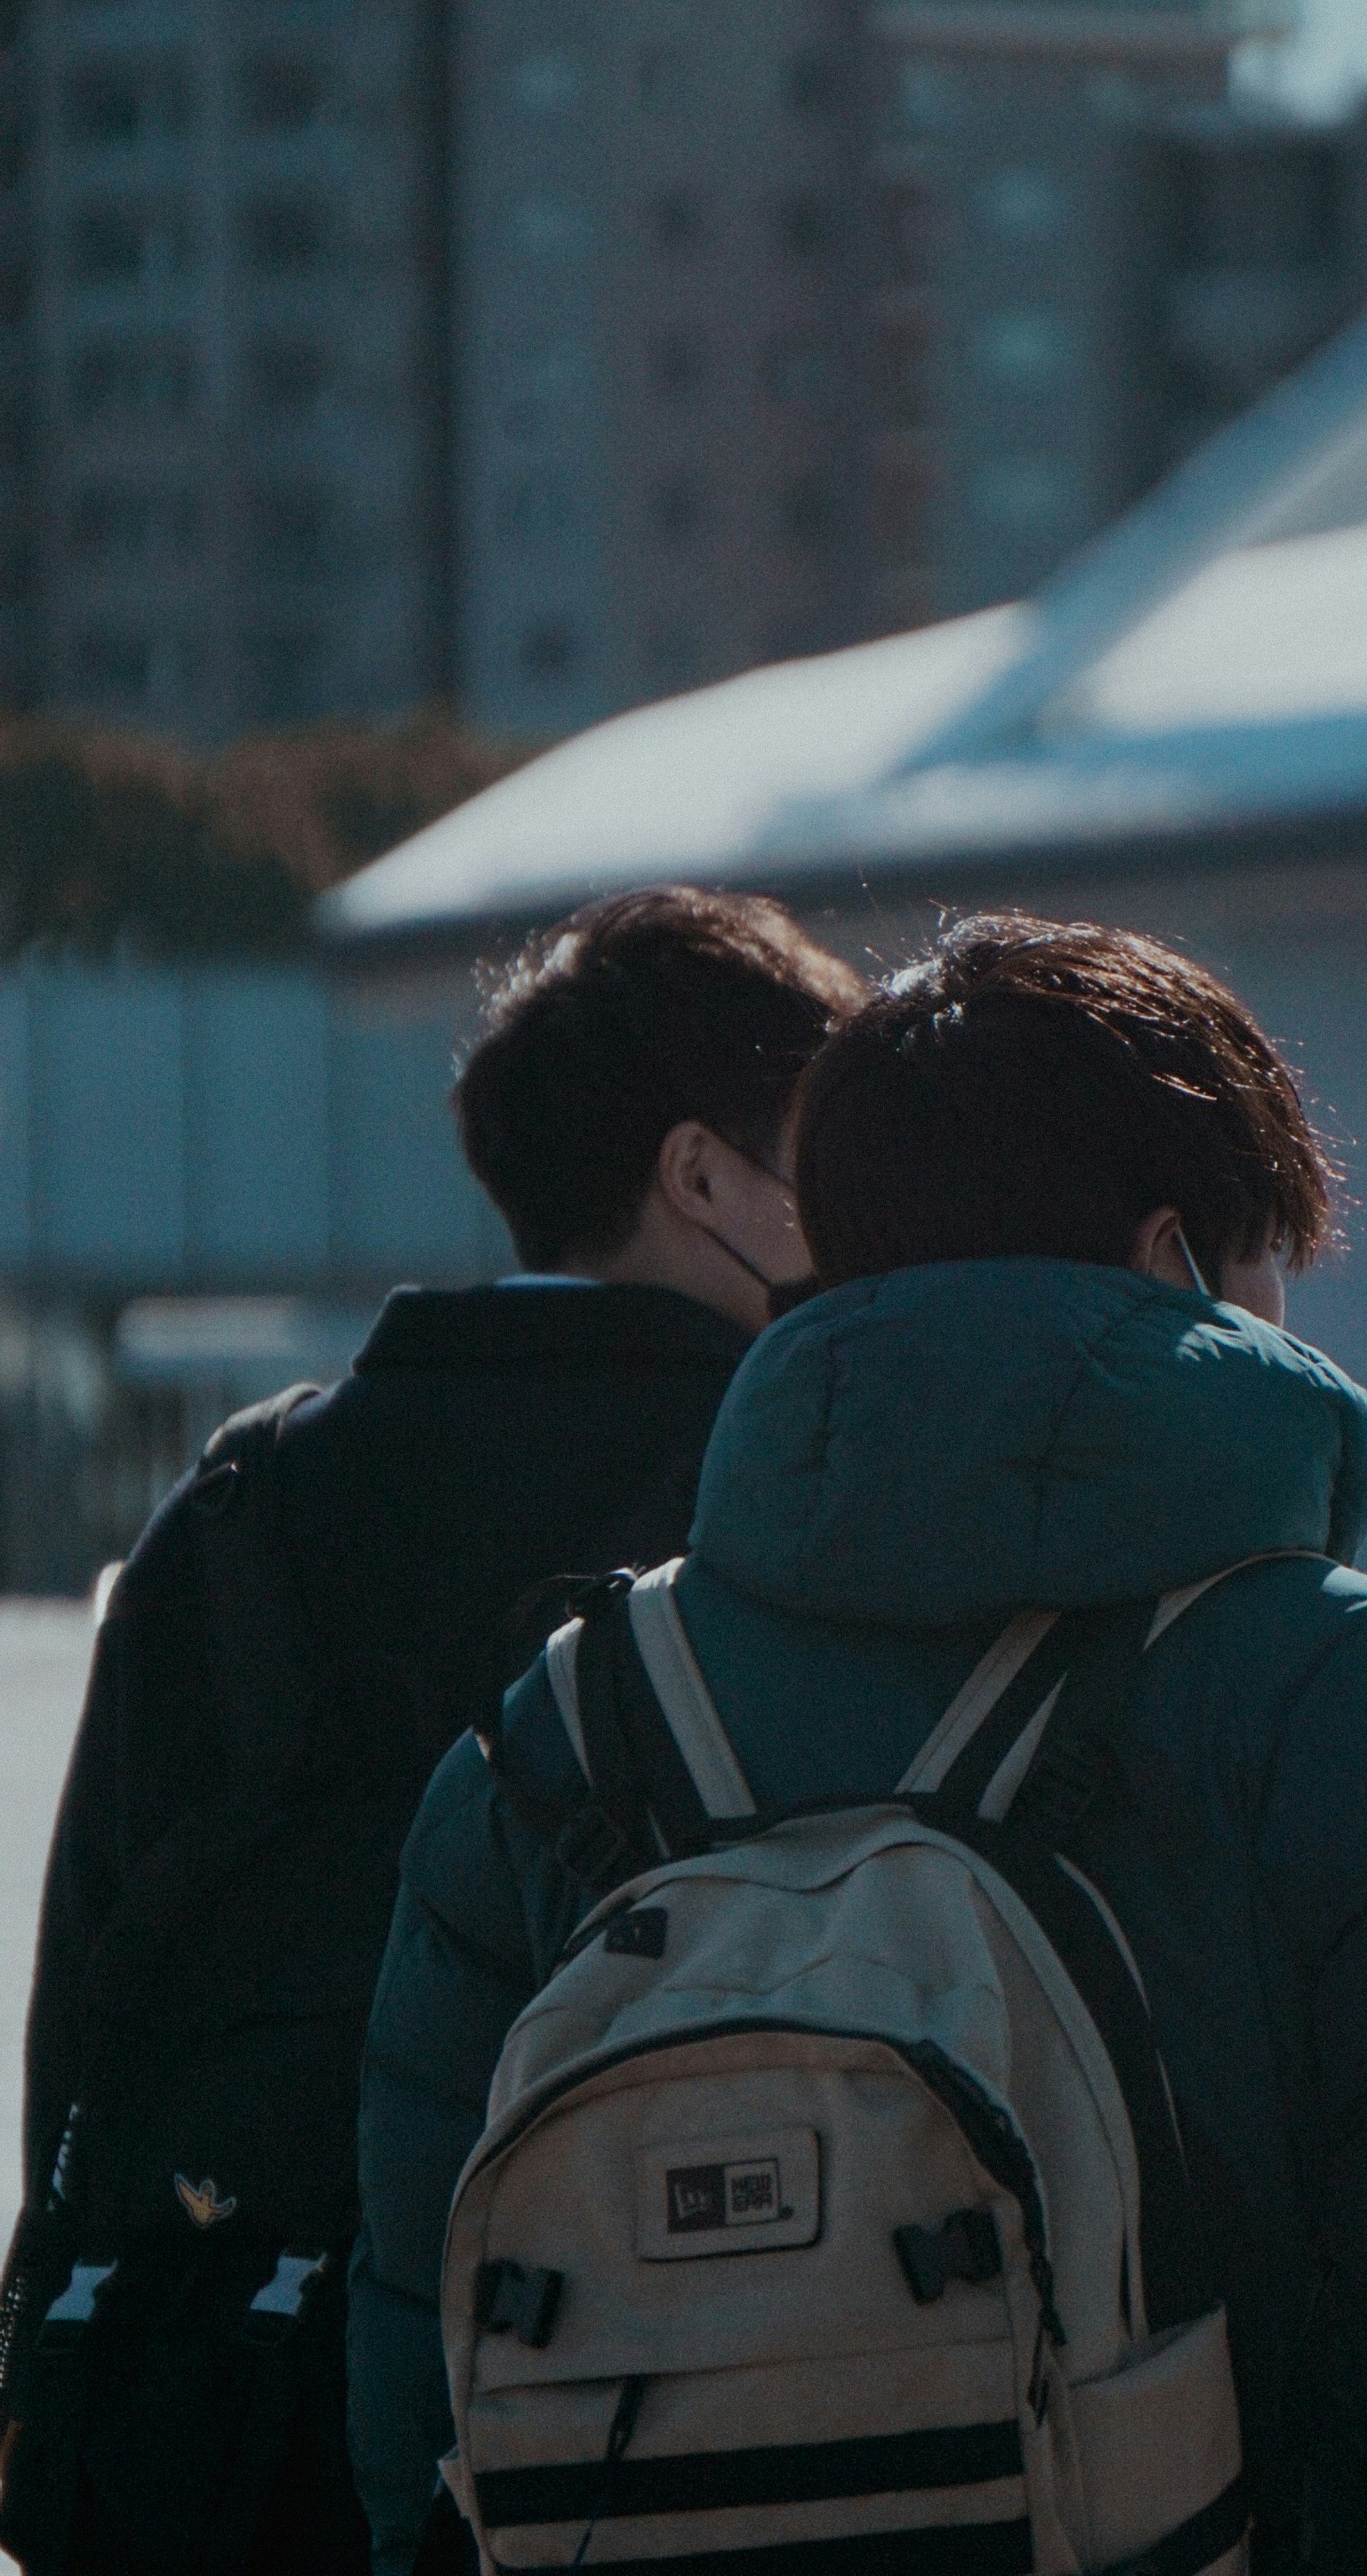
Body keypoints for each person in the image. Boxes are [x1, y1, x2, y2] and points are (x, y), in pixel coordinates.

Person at [353, 910, 1367, 2575]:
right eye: (1277, 1262)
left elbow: (422, 2407)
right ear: (1172, 1259)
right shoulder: (1343, 1700)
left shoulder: (563, 1737)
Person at [3, 886, 862, 2576]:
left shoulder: (243, 1500)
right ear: (701, 1179)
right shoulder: (791, 1514)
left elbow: (90, 2007)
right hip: (673, 2434)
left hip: (234, 2433)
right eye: (829, 1166)